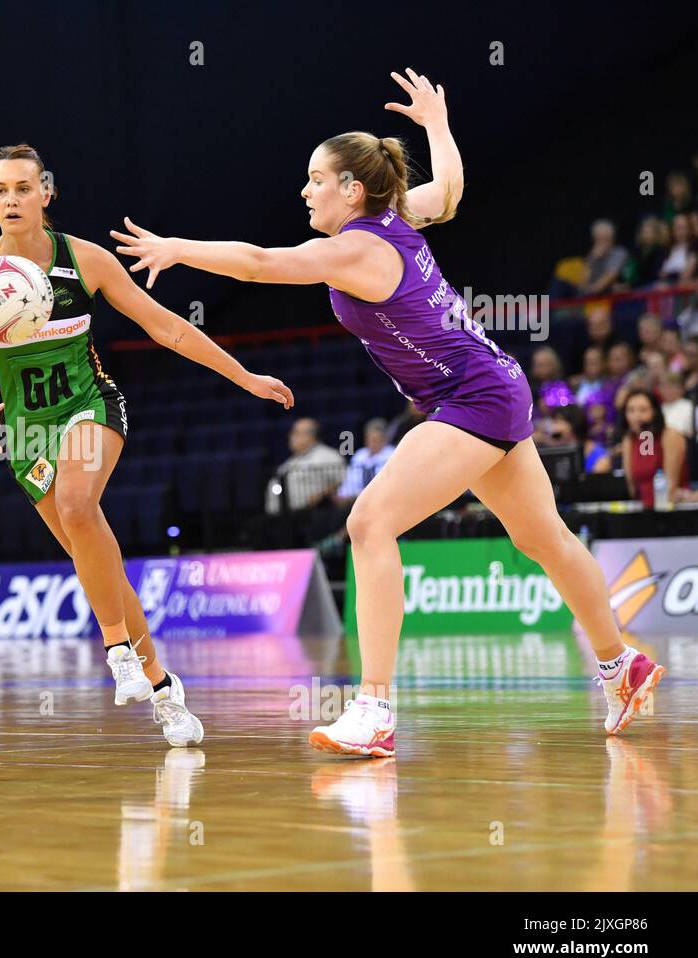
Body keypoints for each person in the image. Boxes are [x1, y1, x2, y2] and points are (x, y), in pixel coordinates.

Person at [112, 68, 665, 754]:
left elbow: (258, 262)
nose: (305, 189)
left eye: (317, 178)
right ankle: (622, 666)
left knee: (369, 523)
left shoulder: (354, 247)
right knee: (542, 537)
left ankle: (374, 708)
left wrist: (176, 248)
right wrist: (437, 125)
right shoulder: (397, 216)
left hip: (471, 396)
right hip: (490, 385)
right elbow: (454, 192)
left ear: (351, 188)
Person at [0, 143, 294, 749]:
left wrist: (245, 377)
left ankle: (116, 653)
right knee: (93, 555)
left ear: (45, 193)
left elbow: (168, 327)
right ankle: (161, 685)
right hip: (26, 432)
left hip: (89, 405)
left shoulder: (86, 260)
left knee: (79, 506)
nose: (12, 200)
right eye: (0, 190)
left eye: (23, 188)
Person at [621, 389, 692, 507]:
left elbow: (671, 485)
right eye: (631, 410)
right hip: (641, 510)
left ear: (655, 412)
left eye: (643, 410)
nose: (636, 416)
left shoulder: (669, 436)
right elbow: (632, 488)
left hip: (670, 508)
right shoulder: (628, 440)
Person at [277, 417, 347, 510]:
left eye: (295, 433)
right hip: (286, 516)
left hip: (317, 514)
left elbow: (345, 482)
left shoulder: (328, 456)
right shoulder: (290, 462)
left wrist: (322, 495)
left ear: (310, 436)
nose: (290, 436)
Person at [336, 418, 395, 502]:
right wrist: (342, 494)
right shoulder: (359, 455)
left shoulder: (392, 453)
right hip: (355, 499)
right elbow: (350, 480)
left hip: (382, 498)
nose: (372, 443)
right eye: (370, 439)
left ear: (384, 440)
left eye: (376, 440)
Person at [578, 219, 629, 296]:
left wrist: (587, 292)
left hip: (609, 296)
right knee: (562, 282)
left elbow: (608, 279)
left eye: (605, 238)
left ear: (612, 239)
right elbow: (581, 282)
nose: (602, 242)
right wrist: (592, 258)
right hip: (590, 296)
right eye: (599, 239)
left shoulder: (619, 253)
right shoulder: (593, 256)